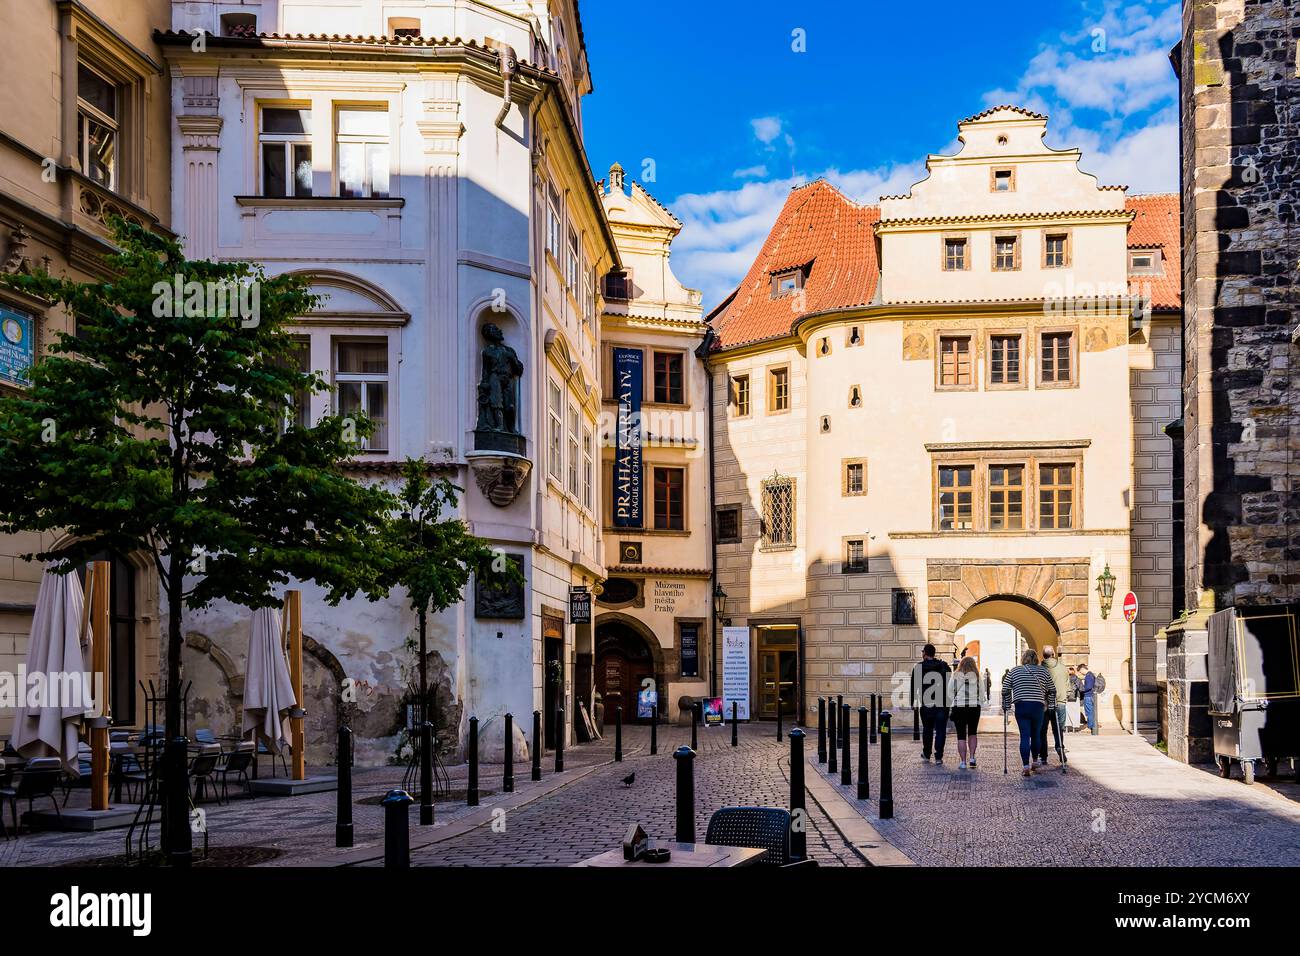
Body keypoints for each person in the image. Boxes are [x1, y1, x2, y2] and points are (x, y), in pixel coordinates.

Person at [1001, 648, 1057, 776]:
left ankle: (1025, 765)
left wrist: (1007, 704)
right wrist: (1052, 705)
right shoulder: (1043, 671)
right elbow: (1052, 690)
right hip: (1038, 707)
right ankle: (1035, 761)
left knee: (1024, 736)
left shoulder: (1015, 671)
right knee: (1036, 734)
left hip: (1021, 706)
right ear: (1036, 659)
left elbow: (1005, 689)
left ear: (1023, 658)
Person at [911, 643, 952, 763]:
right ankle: (939, 756)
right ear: (933, 653)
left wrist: (914, 702)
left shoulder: (919, 667)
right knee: (940, 730)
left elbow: (914, 687)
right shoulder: (944, 666)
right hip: (942, 703)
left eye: (922, 652)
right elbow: (949, 685)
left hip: (927, 704)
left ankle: (927, 753)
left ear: (925, 653)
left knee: (927, 729)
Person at [950, 656, 985, 769]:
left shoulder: (955, 675)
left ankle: (963, 762)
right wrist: (979, 702)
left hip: (959, 706)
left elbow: (950, 692)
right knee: (972, 732)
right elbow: (982, 692)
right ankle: (972, 758)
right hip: (974, 707)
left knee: (961, 735)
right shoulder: (978, 676)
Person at [1038, 646, 1071, 766]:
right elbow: (1068, 686)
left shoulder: (1040, 669)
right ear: (1053, 654)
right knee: (1058, 730)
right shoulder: (1063, 668)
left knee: (1042, 731)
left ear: (1043, 655)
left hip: (1044, 704)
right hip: (1060, 703)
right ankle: (1059, 749)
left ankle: (1043, 757)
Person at [1078, 663, 1099, 734]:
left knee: (1089, 712)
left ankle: (1090, 727)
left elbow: (1089, 687)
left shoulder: (1089, 675)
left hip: (1088, 696)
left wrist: (1082, 689)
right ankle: (1091, 726)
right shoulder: (1090, 675)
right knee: (1091, 712)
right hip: (1090, 696)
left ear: (1082, 669)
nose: (1081, 673)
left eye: (1080, 671)